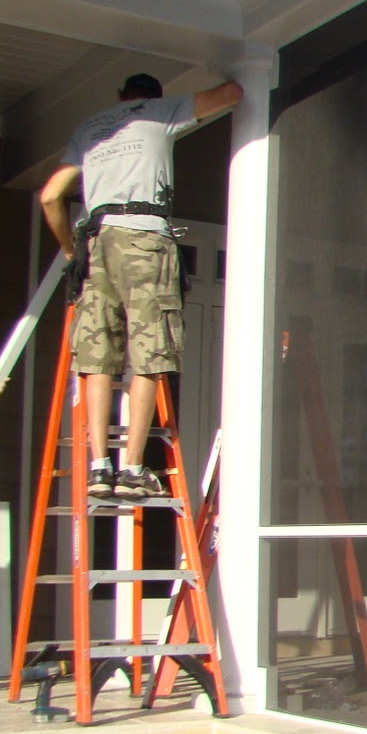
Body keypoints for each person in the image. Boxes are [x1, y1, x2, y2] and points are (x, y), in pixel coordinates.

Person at [39, 72, 242, 500]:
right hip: (144, 238)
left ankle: (98, 466)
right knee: (150, 352)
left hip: (96, 240)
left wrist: (71, 252)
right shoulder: (160, 112)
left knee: (96, 357)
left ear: (119, 97)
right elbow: (231, 95)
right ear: (154, 97)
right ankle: (132, 468)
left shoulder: (90, 128)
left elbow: (50, 196)